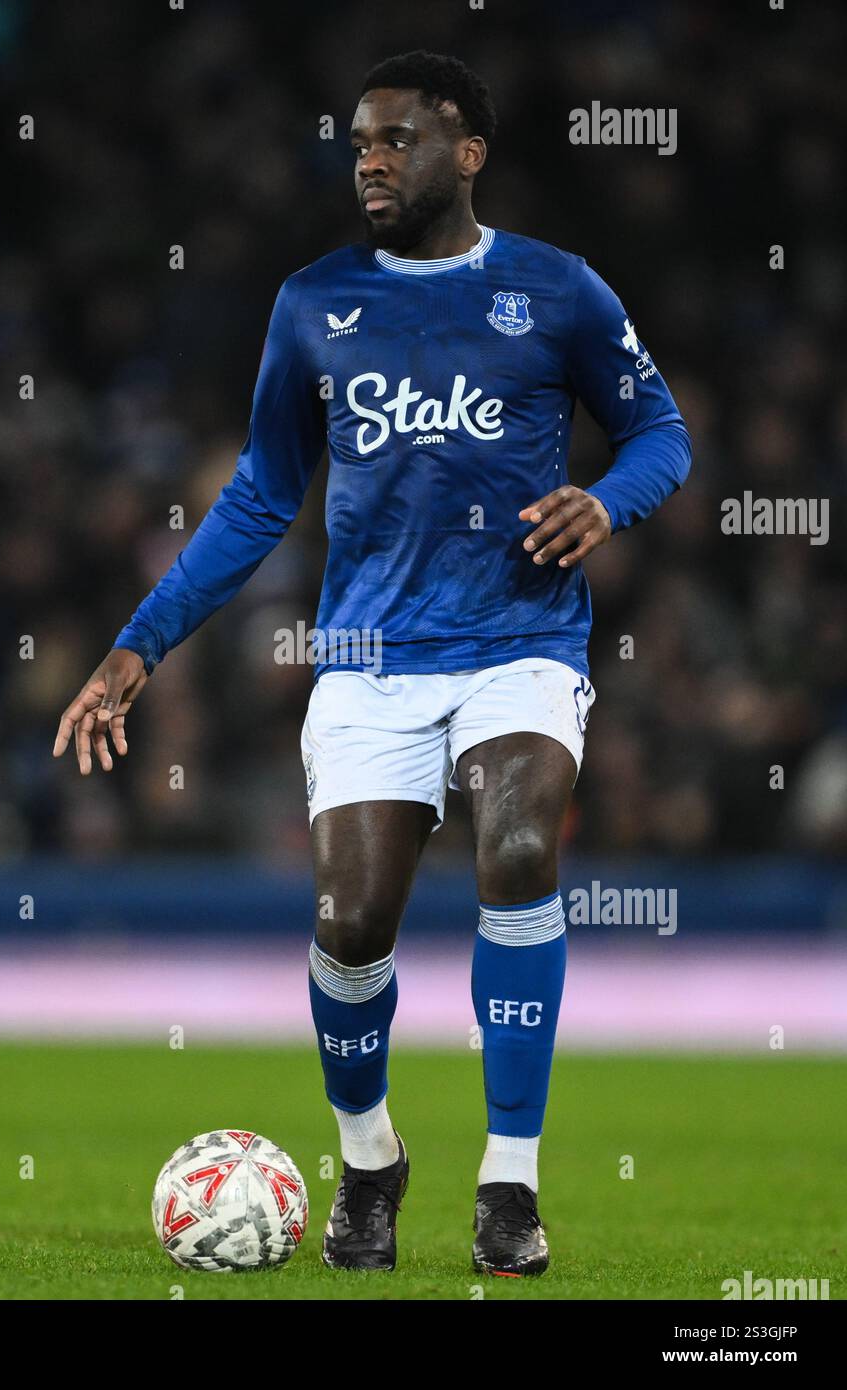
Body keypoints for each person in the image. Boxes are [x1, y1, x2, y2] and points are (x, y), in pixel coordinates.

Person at [53, 50, 691, 1276]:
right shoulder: (312, 305)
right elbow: (257, 498)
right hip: (367, 655)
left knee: (514, 845)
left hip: (519, 638)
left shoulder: (557, 293)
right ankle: (369, 1158)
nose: (371, 161)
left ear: (468, 151)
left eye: (396, 139)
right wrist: (138, 647)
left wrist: (608, 500)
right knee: (351, 922)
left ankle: (509, 1181)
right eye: (358, 143)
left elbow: (661, 428)